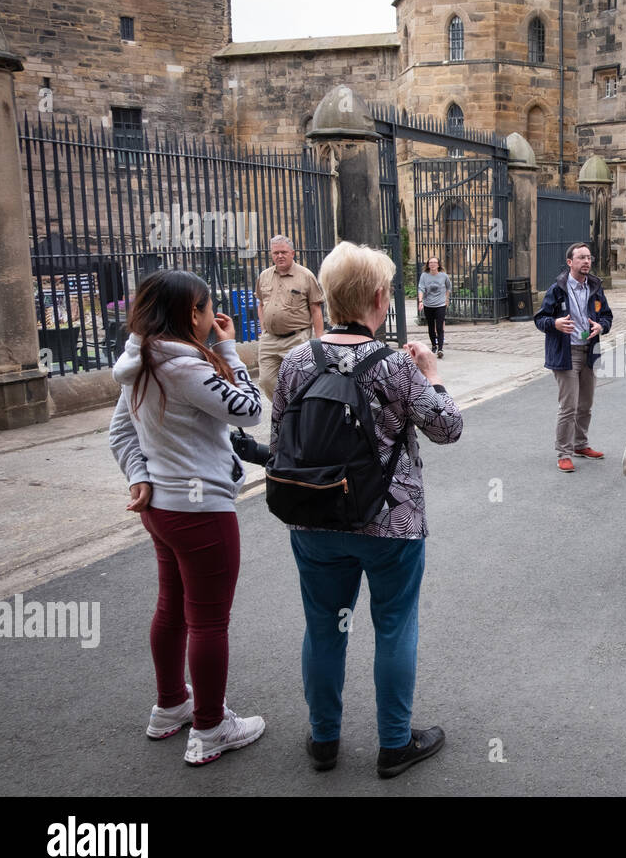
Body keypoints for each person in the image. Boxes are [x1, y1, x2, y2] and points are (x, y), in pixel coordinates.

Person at [272, 241, 463, 778]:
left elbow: (279, 436)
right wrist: (432, 374)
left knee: (324, 629)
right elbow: (448, 428)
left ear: (327, 295)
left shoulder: (295, 361)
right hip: (390, 520)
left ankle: (324, 740)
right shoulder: (395, 366)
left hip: (314, 515)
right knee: (395, 625)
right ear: (380, 297)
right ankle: (394, 744)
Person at [108, 270, 266, 766]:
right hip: (200, 511)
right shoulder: (185, 367)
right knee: (209, 620)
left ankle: (171, 704)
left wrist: (140, 476)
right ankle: (211, 728)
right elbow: (248, 410)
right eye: (205, 307)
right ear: (188, 314)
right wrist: (232, 350)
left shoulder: (141, 360)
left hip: (161, 510)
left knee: (173, 609)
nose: (210, 315)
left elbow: (120, 433)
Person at [534, 243, 613, 472]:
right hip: (567, 354)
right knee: (569, 406)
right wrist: (555, 323)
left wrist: (601, 326)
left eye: (589, 257)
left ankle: (581, 444)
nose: (586, 261)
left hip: (590, 351)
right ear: (570, 262)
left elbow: (606, 315)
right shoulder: (557, 289)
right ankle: (564, 452)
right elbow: (540, 319)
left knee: (586, 404)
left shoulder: (596, 287)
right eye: (581, 258)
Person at [256, 234, 324, 403]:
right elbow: (261, 304)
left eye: (284, 252)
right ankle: (285, 408)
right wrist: (263, 327)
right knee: (265, 380)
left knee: (300, 380)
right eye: (275, 253)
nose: (279, 256)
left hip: (296, 338)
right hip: (269, 340)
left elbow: (315, 309)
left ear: (292, 253)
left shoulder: (305, 276)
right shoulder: (264, 276)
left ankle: (296, 412)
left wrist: (320, 339)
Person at [417, 257, 451, 357]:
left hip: (440, 304)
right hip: (428, 304)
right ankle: (433, 345)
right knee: (431, 327)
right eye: (430, 262)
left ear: (438, 265)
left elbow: (449, 287)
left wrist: (447, 299)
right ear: (428, 265)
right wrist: (420, 301)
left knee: (439, 327)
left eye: (434, 262)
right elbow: (421, 288)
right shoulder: (424, 276)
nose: (432, 264)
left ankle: (440, 349)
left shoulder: (443, 276)